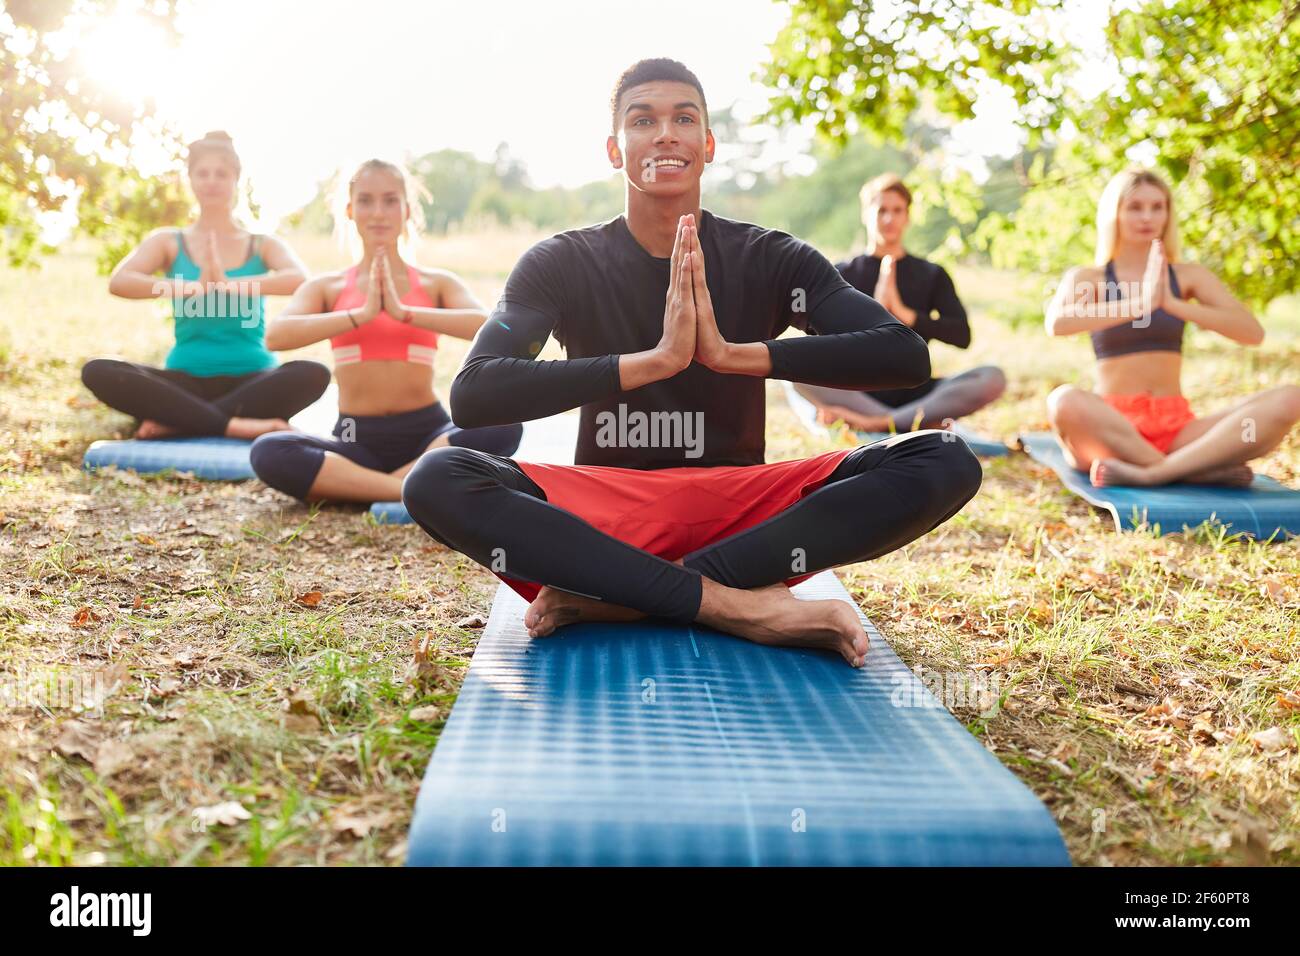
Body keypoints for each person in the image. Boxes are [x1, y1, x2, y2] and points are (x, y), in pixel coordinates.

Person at [400, 59, 983, 667]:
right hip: (604, 519)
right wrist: (648, 363)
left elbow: (903, 353)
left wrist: (735, 356)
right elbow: (473, 392)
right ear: (614, 149)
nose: (665, 134)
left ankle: (622, 597)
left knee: (942, 457)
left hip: (745, 520)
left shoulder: (770, 256)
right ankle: (734, 605)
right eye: (642, 120)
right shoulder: (559, 262)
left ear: (707, 145)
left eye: (684, 118)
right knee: (437, 477)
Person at [249, 159, 521, 503]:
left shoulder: (436, 283)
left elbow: (491, 326)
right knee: (269, 451)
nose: (378, 212)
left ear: (407, 209)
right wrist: (359, 315)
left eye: (391, 200)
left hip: (428, 435)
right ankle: (411, 487)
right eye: (365, 200)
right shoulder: (328, 287)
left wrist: (404, 313)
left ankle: (368, 487)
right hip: (354, 439)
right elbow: (277, 335)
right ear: (349, 210)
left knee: (503, 425)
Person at [1045, 168, 1299, 487]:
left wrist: (1174, 305)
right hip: (1109, 432)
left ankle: (1156, 472)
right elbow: (1059, 323)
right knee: (1064, 401)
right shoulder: (1090, 279)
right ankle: (1191, 471)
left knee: (1289, 398)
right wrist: (1142, 304)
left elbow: (1252, 332)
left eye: (1157, 207)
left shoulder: (1187, 276)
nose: (1147, 217)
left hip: (1179, 431)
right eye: (1135, 207)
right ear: (1115, 213)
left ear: (1168, 214)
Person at [85, 131, 329, 440]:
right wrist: (191, 288)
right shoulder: (169, 241)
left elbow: (300, 280)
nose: (211, 181)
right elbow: (120, 282)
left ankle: (180, 420)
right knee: (99, 371)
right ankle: (232, 424)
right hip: (184, 380)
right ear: (190, 180)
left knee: (313, 373)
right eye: (202, 173)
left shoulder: (260, 243)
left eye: (221, 174)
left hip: (253, 380)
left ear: (235, 180)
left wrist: (230, 284)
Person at [793, 173, 1005, 432]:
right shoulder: (839, 273)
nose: (889, 219)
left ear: (908, 216)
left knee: (992, 377)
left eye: (897, 210)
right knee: (795, 370)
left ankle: (881, 424)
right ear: (866, 215)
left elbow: (962, 335)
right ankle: (914, 423)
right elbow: (816, 340)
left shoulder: (931, 273)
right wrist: (873, 314)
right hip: (859, 390)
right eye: (881, 210)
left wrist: (906, 315)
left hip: (917, 389)